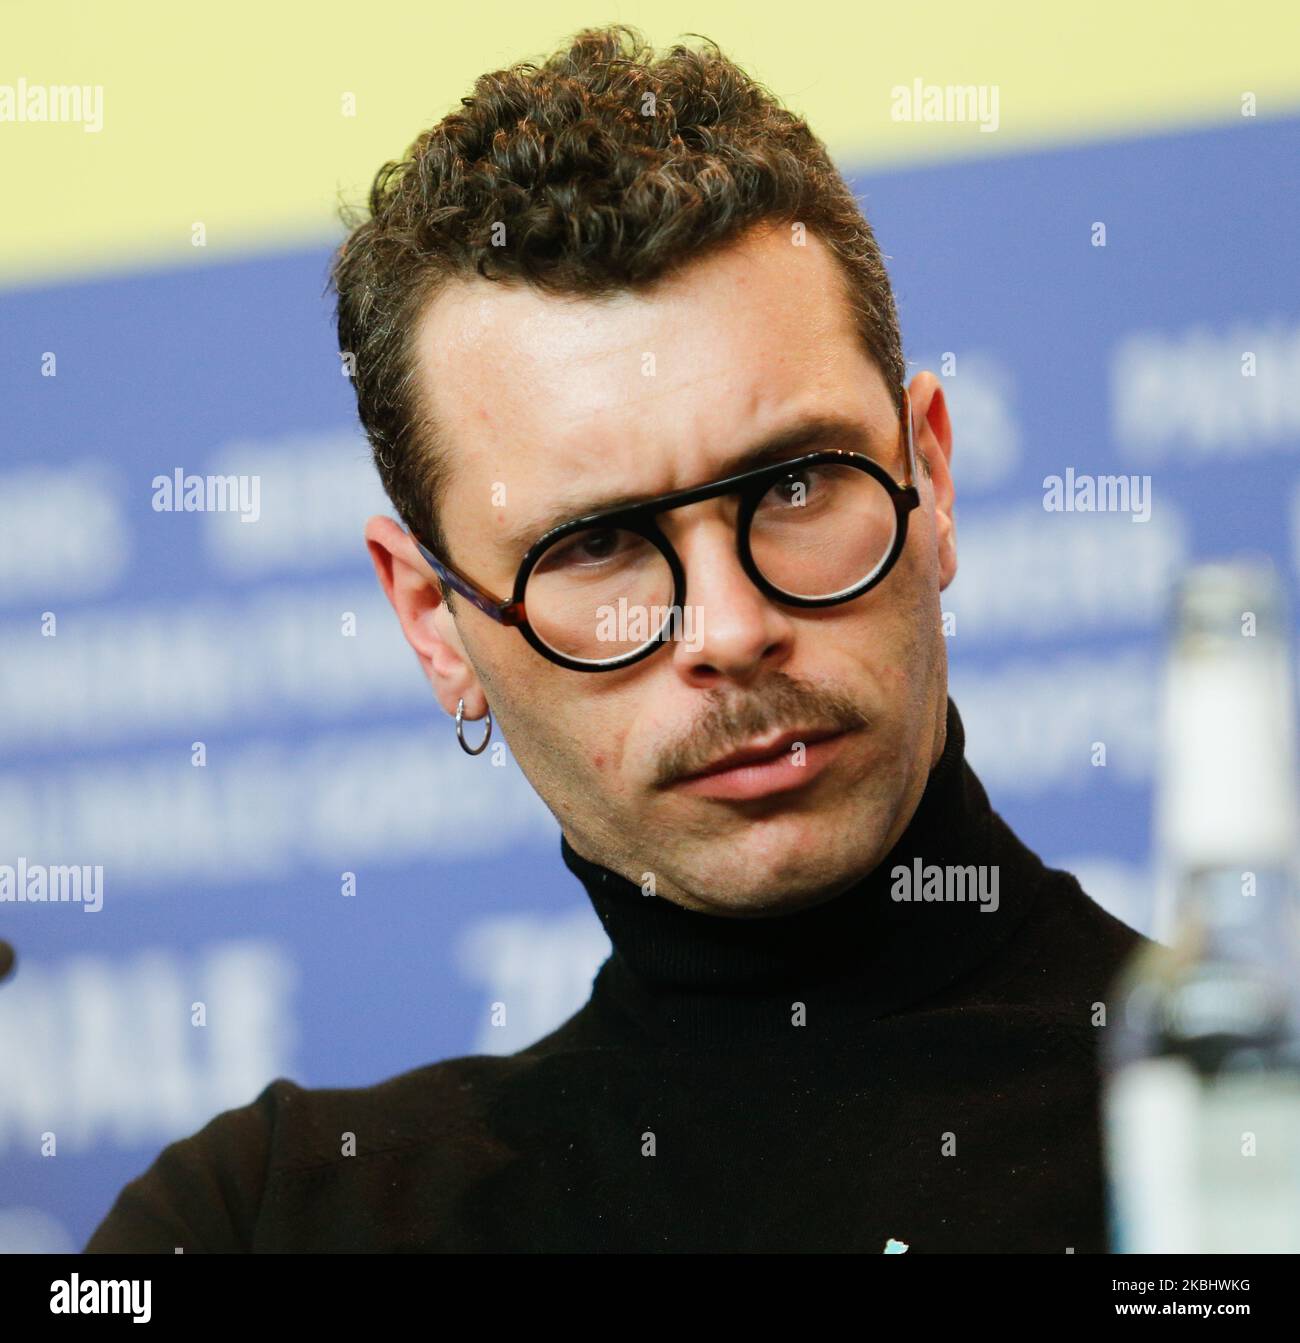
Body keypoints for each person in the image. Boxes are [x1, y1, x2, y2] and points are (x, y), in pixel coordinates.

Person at [85, 23, 1146, 1253]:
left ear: (932, 477)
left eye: (796, 484)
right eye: (592, 545)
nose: (733, 630)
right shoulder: (262, 1219)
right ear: (434, 623)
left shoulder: (1251, 1126)